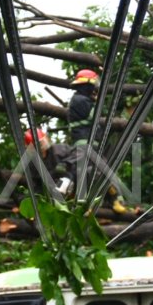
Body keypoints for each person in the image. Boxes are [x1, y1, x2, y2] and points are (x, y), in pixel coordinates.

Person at [65, 69, 126, 213]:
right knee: (93, 172)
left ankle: (110, 200)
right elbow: (95, 116)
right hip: (85, 144)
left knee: (97, 171)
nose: (95, 89)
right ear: (87, 85)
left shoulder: (82, 100)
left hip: (91, 143)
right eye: (94, 85)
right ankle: (97, 202)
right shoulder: (79, 100)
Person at [23, 129, 73, 197]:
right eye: (35, 145)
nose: (40, 147)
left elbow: (77, 159)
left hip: (72, 183)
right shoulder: (32, 165)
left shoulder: (60, 150)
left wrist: (68, 177)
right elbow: (36, 185)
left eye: (41, 143)